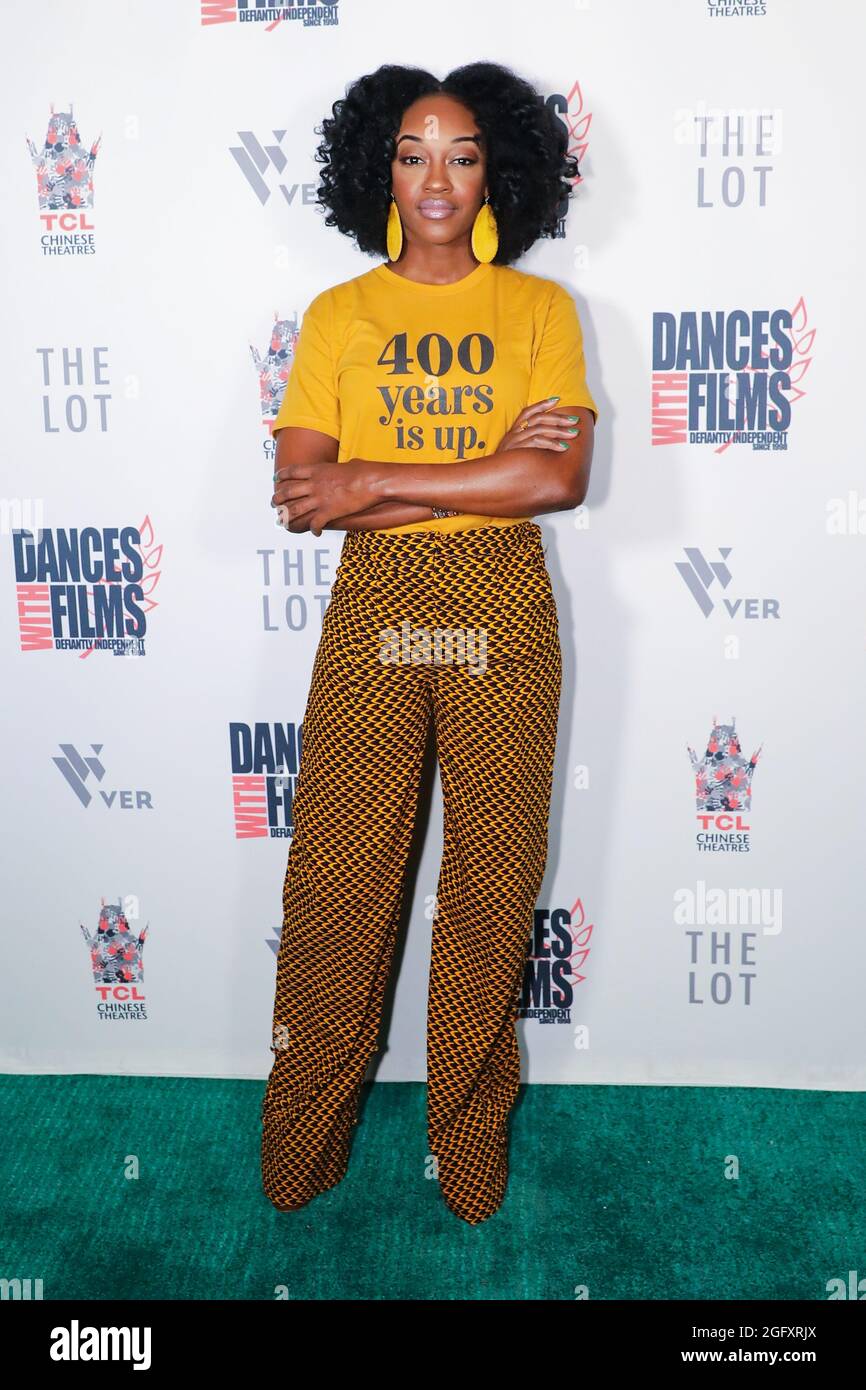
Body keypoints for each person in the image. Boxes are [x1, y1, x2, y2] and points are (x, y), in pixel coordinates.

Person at [261, 60, 599, 1226]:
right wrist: (467, 478)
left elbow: (552, 477)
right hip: (376, 605)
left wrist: (375, 476)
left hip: (500, 605)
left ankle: (467, 1136)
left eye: (459, 153)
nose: (435, 177)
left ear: (494, 167)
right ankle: (304, 1132)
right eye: (411, 153)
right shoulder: (337, 316)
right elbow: (301, 492)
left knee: (492, 881)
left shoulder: (539, 312)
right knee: (340, 876)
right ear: (379, 170)